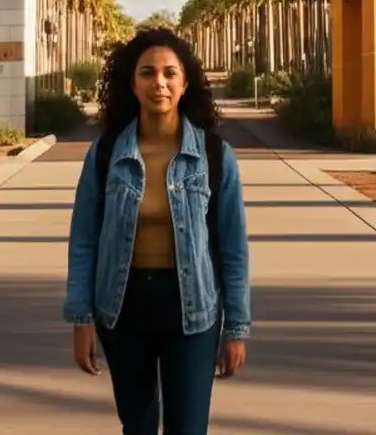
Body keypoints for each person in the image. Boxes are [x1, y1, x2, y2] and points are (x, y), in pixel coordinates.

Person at [63, 27, 251, 435]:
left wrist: (236, 329)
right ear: (132, 83)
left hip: (194, 310)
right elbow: (84, 241)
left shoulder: (215, 155)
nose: (159, 83)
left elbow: (234, 248)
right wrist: (81, 319)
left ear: (185, 83)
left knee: (188, 428)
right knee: (138, 427)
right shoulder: (106, 153)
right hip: (122, 308)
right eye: (147, 73)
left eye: (170, 73)